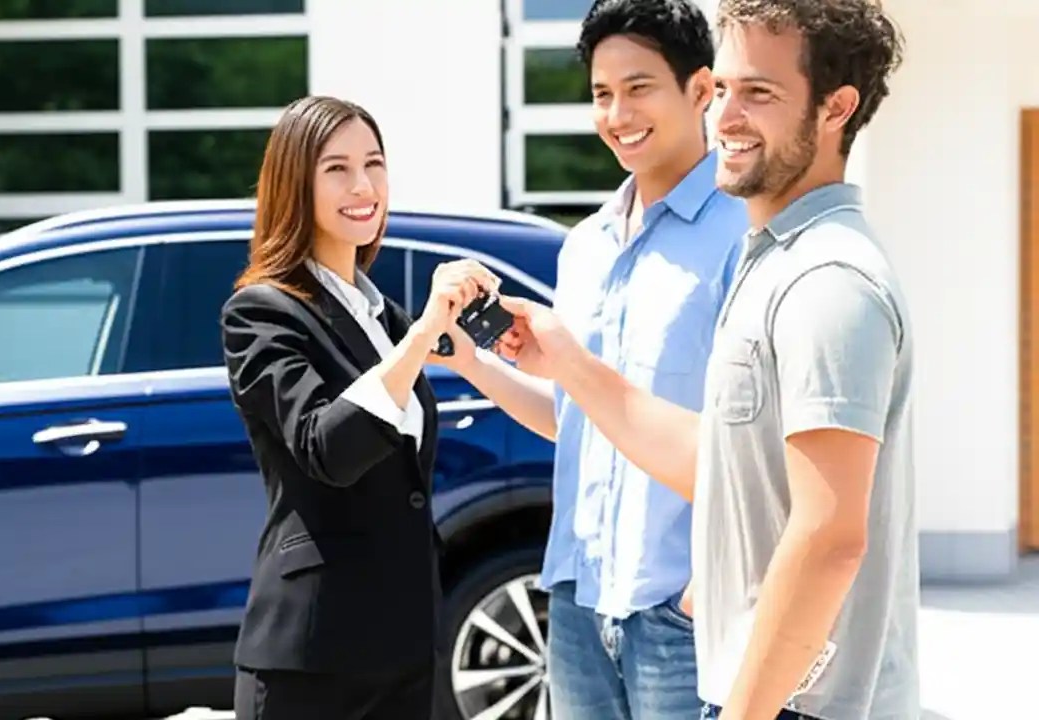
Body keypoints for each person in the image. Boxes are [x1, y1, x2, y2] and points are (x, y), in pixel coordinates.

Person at [496, 0, 915, 718]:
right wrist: (544, 364)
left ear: (836, 107)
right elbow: (717, 456)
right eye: (723, 89)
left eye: (759, 92)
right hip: (686, 645)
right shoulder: (773, 262)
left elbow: (829, 537)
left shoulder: (827, 280)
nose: (724, 117)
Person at [430, 1, 746, 717]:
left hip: (680, 610)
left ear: (700, 91)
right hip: (577, 603)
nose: (617, 113)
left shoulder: (742, 238)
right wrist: (477, 365)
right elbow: (574, 422)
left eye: (639, 88)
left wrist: (703, 593)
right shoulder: (587, 247)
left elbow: (749, 452)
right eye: (602, 94)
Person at [220, 95, 499, 720]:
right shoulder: (263, 313)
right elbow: (327, 447)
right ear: (296, 184)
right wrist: (421, 337)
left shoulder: (381, 317)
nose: (364, 185)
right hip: (312, 662)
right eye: (337, 168)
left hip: (401, 652)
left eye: (374, 164)